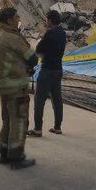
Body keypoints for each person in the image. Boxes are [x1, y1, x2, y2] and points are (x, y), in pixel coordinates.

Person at [0, 7, 38, 170]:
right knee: (19, 121)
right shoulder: (13, 38)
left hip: (2, 85)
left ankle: (4, 153)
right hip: (16, 86)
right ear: (9, 20)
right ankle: (16, 157)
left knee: (7, 120)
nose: (18, 20)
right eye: (17, 18)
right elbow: (32, 58)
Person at [29, 9, 67, 137]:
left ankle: (38, 129)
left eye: (47, 20)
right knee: (57, 99)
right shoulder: (62, 33)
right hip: (58, 69)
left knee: (39, 100)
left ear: (50, 20)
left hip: (47, 70)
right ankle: (57, 127)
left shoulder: (50, 33)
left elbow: (39, 49)